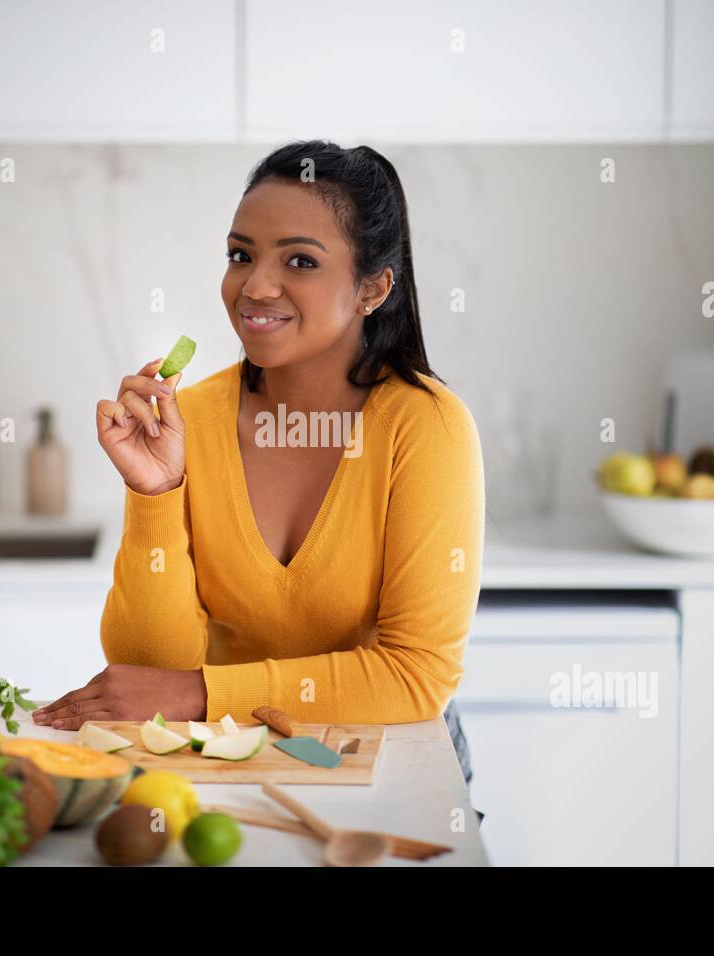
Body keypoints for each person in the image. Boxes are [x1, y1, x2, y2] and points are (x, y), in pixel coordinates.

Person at [34, 141, 484, 785]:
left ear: (373, 287)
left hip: (388, 760)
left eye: (300, 260)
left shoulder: (425, 426)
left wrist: (200, 695)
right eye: (241, 255)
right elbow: (146, 670)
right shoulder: (190, 421)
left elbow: (416, 674)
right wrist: (157, 492)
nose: (255, 286)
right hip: (227, 761)